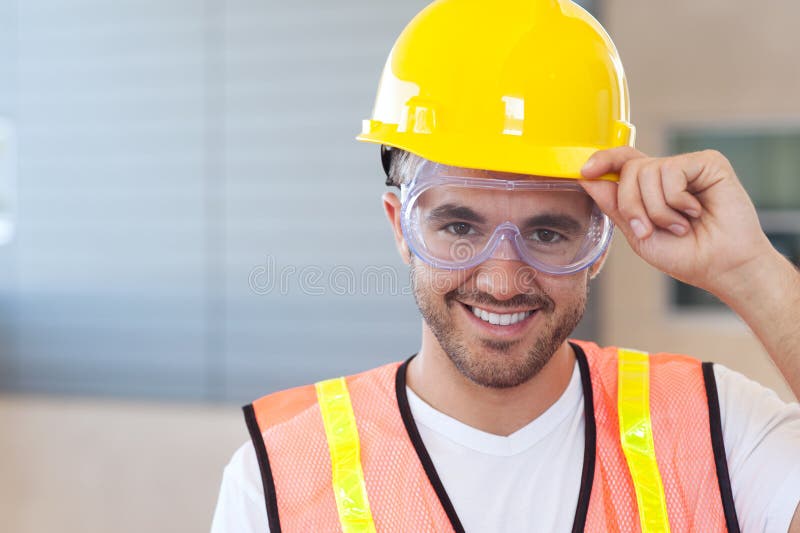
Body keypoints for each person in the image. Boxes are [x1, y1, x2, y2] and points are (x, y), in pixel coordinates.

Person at [211, 0, 800, 531]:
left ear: (601, 240)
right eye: (460, 227)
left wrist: (751, 272)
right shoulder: (278, 481)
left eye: (547, 233)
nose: (501, 279)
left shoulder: (716, 431)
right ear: (401, 226)